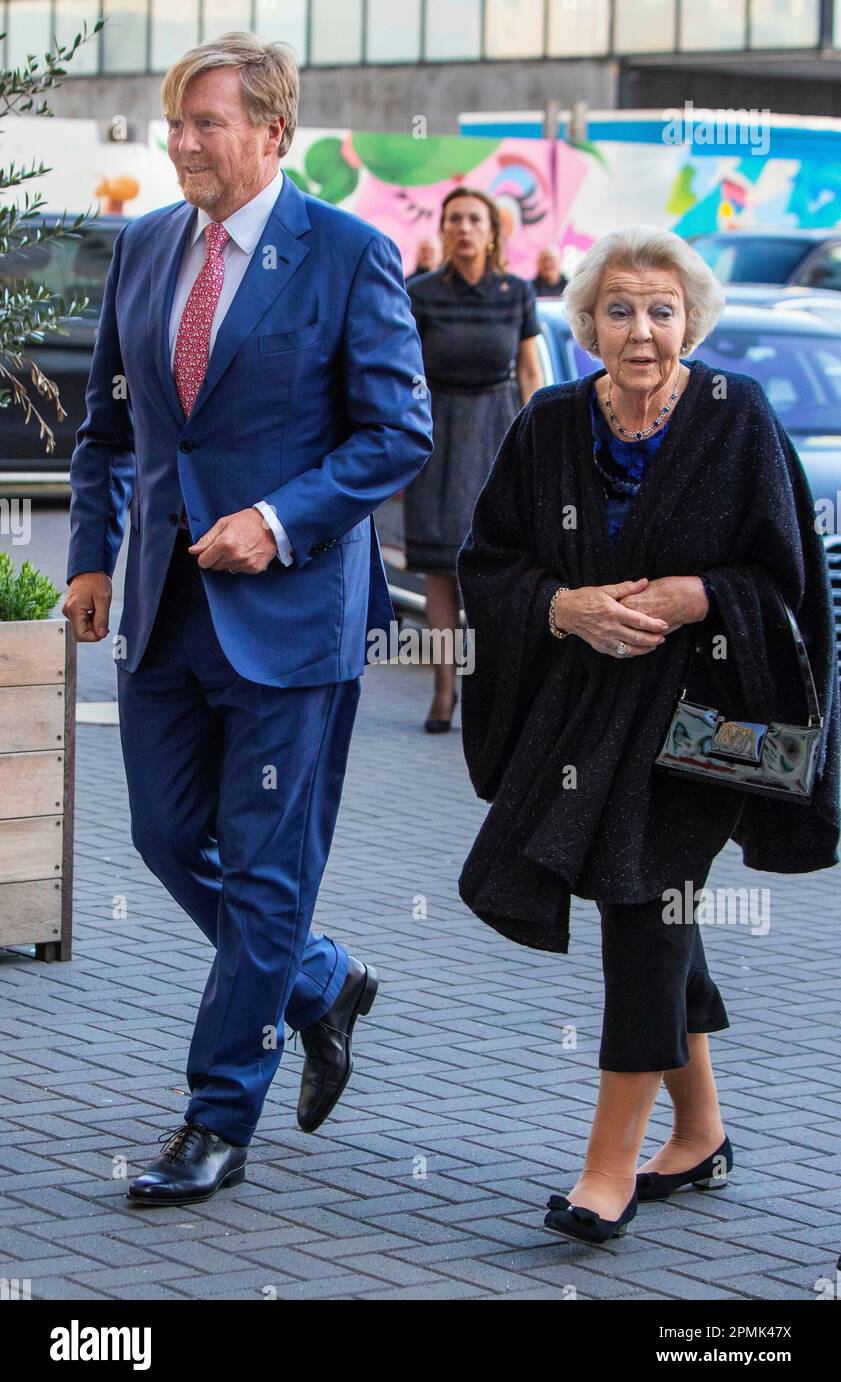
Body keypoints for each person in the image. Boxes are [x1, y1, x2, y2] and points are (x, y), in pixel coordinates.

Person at [61, 31, 432, 1206]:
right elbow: (109, 431)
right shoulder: (144, 247)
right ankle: (319, 981)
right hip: (165, 614)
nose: (181, 144)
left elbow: (395, 433)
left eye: (205, 123)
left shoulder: (350, 254)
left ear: (273, 133)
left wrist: (280, 515)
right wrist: (87, 561)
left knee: (267, 876)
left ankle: (217, 1114)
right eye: (174, 122)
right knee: (165, 840)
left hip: (292, 616)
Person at [456, 225, 840, 1247]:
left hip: (711, 720)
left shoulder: (735, 418)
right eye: (618, 309)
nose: (641, 330)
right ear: (585, 323)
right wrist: (561, 608)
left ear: (690, 322)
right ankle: (701, 1131)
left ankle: (605, 1166)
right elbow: (486, 562)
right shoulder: (546, 425)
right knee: (659, 907)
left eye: (661, 310)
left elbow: (787, 582)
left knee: (642, 909)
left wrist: (697, 593)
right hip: (587, 717)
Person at [403, 188, 543, 733]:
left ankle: (490, 694)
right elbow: (404, 372)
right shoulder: (419, 293)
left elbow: (530, 374)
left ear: (492, 232)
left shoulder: (517, 293)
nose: (463, 228)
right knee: (441, 571)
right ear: (443, 229)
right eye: (454, 219)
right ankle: (443, 693)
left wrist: (540, 443)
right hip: (437, 435)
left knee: (492, 570)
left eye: (474, 219)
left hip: (497, 431)